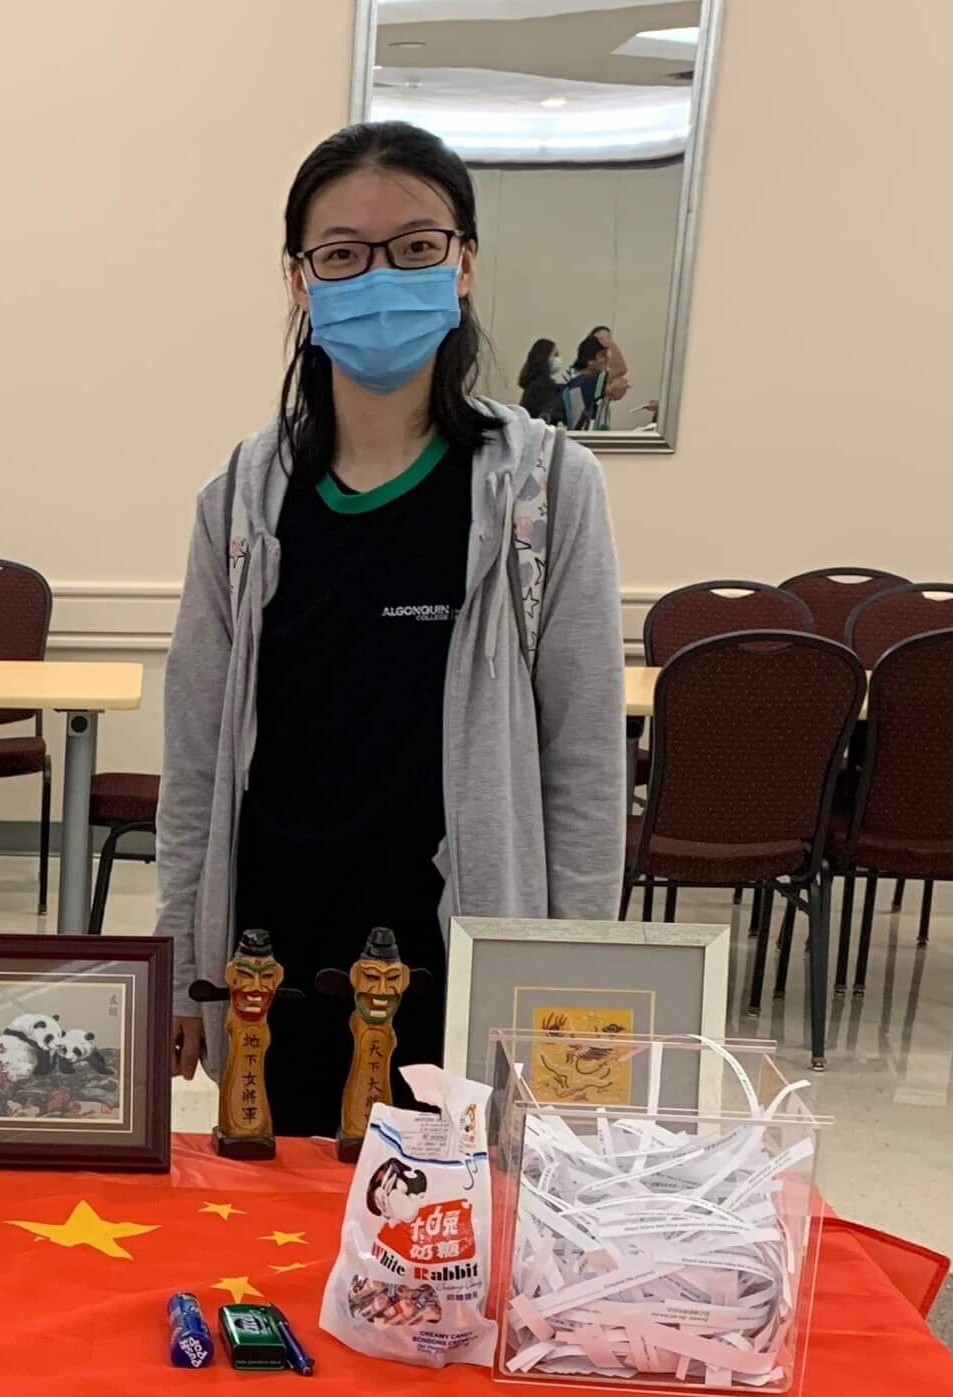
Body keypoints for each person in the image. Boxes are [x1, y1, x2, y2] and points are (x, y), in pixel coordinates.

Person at [154, 121, 624, 1134]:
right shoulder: (238, 498)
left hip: (459, 948)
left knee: (446, 1244)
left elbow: (582, 765)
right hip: (270, 956)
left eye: (415, 246)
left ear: (462, 264)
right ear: (300, 280)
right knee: (277, 1234)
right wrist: (185, 970)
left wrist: (573, 982)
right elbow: (195, 759)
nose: (381, 275)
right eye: (343, 254)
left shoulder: (543, 490)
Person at [514, 337, 565, 424]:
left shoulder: (533, 383)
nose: (558, 359)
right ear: (544, 358)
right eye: (555, 355)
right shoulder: (542, 386)